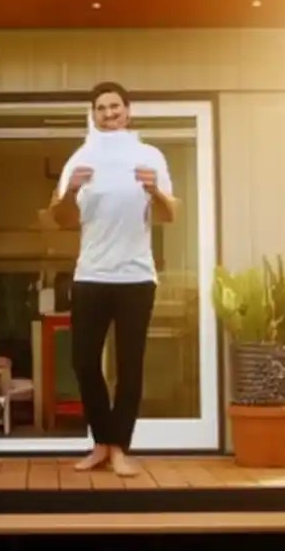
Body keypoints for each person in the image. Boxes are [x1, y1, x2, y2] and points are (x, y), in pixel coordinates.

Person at [48, 81, 176, 477]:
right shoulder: (80, 158)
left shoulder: (149, 156)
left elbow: (170, 214)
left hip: (136, 277)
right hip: (91, 275)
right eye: (101, 108)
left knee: (130, 366)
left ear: (128, 110)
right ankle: (102, 442)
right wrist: (69, 191)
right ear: (94, 114)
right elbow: (62, 219)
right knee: (84, 361)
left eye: (115, 106)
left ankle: (119, 447)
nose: (109, 113)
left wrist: (156, 192)